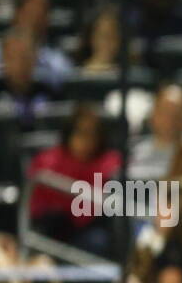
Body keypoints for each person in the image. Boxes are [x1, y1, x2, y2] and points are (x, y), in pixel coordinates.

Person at [27, 103, 121, 255]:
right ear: (68, 134)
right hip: (52, 230)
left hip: (92, 231)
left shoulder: (111, 163)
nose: (86, 140)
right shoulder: (47, 162)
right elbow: (36, 207)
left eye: (92, 134)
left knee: (98, 241)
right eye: (80, 133)